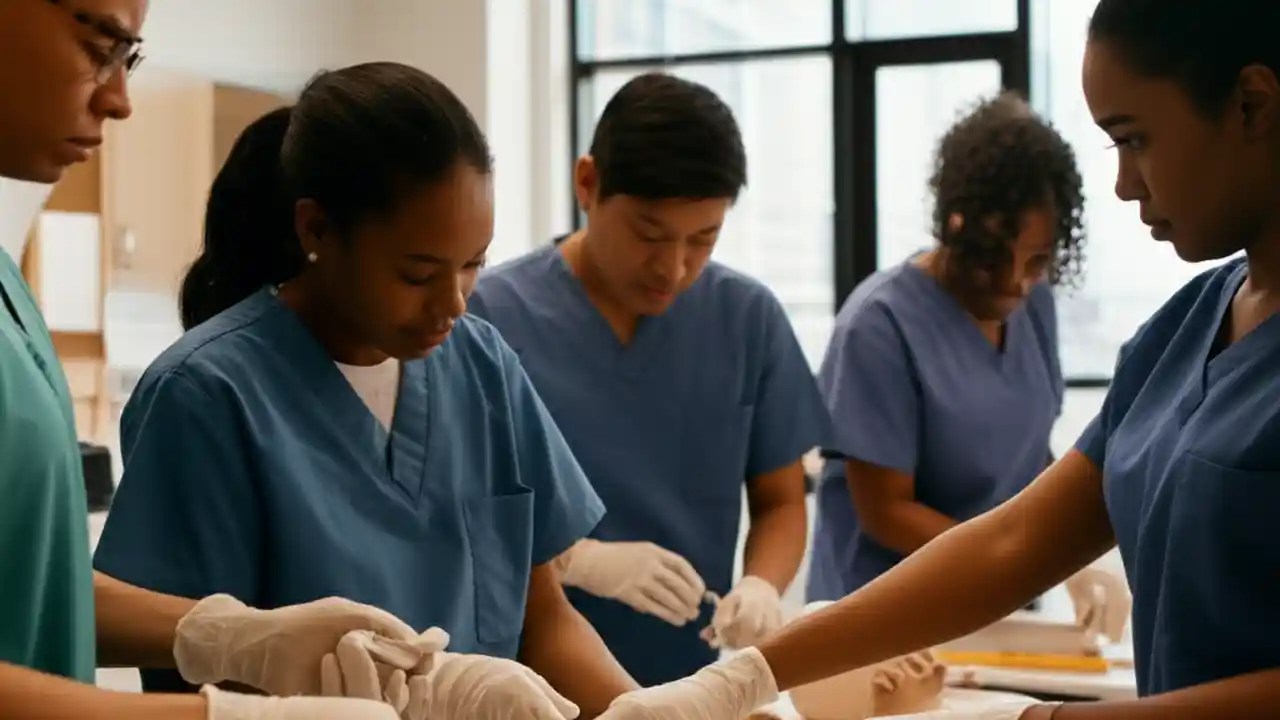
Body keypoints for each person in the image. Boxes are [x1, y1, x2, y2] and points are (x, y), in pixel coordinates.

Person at [593, 0, 1280, 718]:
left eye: (1135, 139)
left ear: (1250, 104)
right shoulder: (1181, 333)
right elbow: (1011, 540)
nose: (1125, 184)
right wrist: (742, 678)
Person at [93, 62, 639, 719]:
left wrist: (647, 711)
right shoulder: (211, 395)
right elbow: (196, 676)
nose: (454, 305)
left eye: (473, 265)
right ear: (317, 230)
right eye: (418, 273)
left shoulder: (484, 367)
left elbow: (543, 616)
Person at [0, 3, 452, 720]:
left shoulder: (7, 289)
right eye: (100, 46)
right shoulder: (209, 386)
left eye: (132, 59)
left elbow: (31, 588)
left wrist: (229, 636)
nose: (119, 98)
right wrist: (225, 714)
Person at [467, 72, 832, 687]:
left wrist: (762, 585)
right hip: (524, 682)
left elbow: (780, 499)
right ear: (588, 184)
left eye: (703, 239)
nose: (674, 267)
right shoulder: (490, 317)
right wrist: (574, 560)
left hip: (685, 683)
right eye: (649, 234)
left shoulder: (746, 318)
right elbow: (460, 511)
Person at [809, 92, 1128, 641]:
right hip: (881, 623)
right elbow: (886, 511)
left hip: (994, 613)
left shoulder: (1035, 308)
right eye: (994, 260)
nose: (1014, 283)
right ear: (955, 225)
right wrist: (1026, 556)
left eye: (1036, 261)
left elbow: (1026, 450)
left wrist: (1066, 551)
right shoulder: (880, 325)